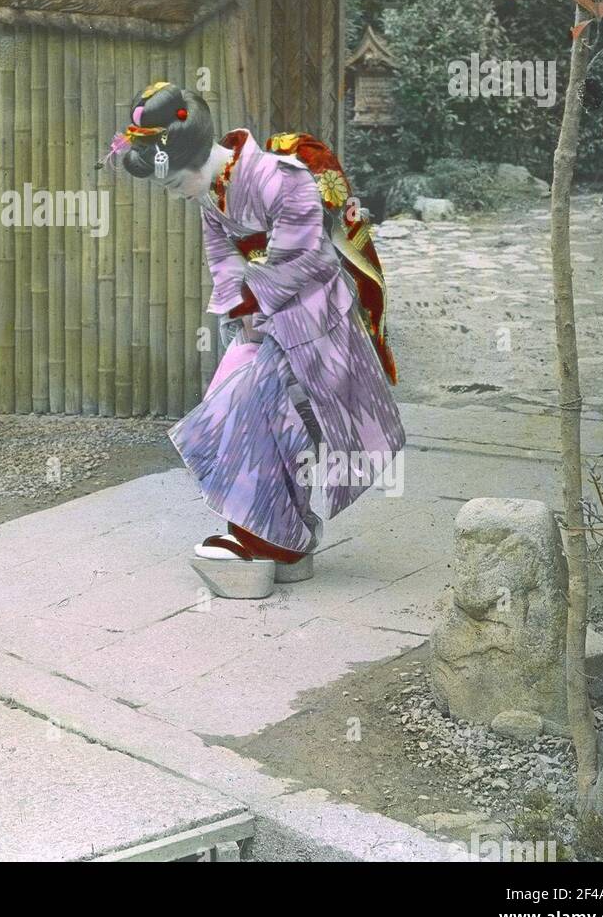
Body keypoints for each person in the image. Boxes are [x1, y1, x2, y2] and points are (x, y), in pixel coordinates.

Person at [104, 81, 404, 599]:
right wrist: (241, 309)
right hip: (263, 321)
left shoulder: (280, 178)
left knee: (261, 410)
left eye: (175, 184)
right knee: (243, 409)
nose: (177, 194)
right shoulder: (211, 191)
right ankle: (285, 535)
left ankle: (264, 536)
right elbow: (222, 258)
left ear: (197, 160)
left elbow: (309, 259)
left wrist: (256, 302)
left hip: (313, 322)